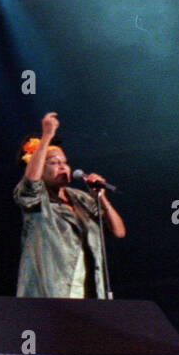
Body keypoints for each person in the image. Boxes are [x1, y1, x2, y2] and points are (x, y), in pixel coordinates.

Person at [15, 112, 125, 298]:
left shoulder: (80, 198)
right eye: (54, 163)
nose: (63, 167)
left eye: (65, 163)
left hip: (89, 293)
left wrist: (101, 198)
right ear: (40, 169)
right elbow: (30, 183)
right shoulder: (37, 200)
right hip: (50, 294)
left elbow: (118, 232)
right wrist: (47, 136)